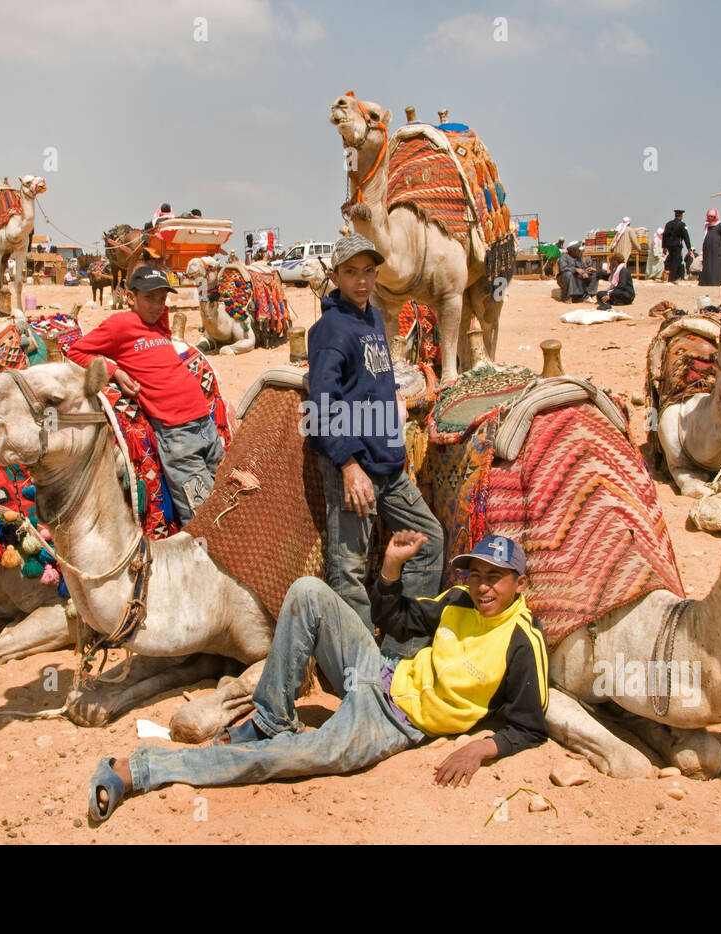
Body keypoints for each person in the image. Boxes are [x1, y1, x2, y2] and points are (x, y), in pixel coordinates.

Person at [85, 532, 550, 822]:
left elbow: (529, 727)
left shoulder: (522, 642)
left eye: (496, 576)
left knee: (292, 757)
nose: (483, 586)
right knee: (308, 591)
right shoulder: (458, 601)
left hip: (391, 723)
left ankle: (144, 769)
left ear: (520, 584)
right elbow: (396, 619)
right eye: (476, 574)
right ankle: (271, 717)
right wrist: (391, 567)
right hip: (376, 671)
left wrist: (479, 748)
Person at [304, 233, 444, 651]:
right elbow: (322, 405)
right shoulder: (329, 330)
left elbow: (373, 381)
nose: (362, 280)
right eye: (351, 272)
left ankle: (403, 649)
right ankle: (363, 666)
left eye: (368, 271)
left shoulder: (374, 318)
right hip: (355, 465)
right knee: (348, 570)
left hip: (387, 463)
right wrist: (348, 467)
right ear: (335, 276)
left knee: (429, 539)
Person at [66, 264, 223, 524]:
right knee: (202, 514)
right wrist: (114, 371)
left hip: (205, 423)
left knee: (226, 496)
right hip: (177, 434)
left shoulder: (158, 324)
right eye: (149, 297)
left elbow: (160, 321)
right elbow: (76, 351)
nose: (157, 305)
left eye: (162, 299)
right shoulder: (120, 324)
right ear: (130, 297)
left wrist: (158, 307)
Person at [698, 209, 721, 287]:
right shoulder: (708, 226)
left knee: (715, 265)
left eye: (712, 216)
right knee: (707, 264)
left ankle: (715, 282)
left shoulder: (720, 225)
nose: (710, 218)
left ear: (715, 217)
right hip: (708, 249)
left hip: (716, 249)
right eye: (709, 216)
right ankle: (706, 281)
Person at [661, 209, 692, 282]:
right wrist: (689, 248)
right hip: (677, 245)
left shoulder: (668, 224)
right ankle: (672, 278)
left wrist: (664, 247)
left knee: (671, 259)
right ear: (681, 216)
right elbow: (686, 237)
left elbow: (664, 236)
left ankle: (671, 277)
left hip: (669, 245)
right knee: (676, 261)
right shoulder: (682, 224)